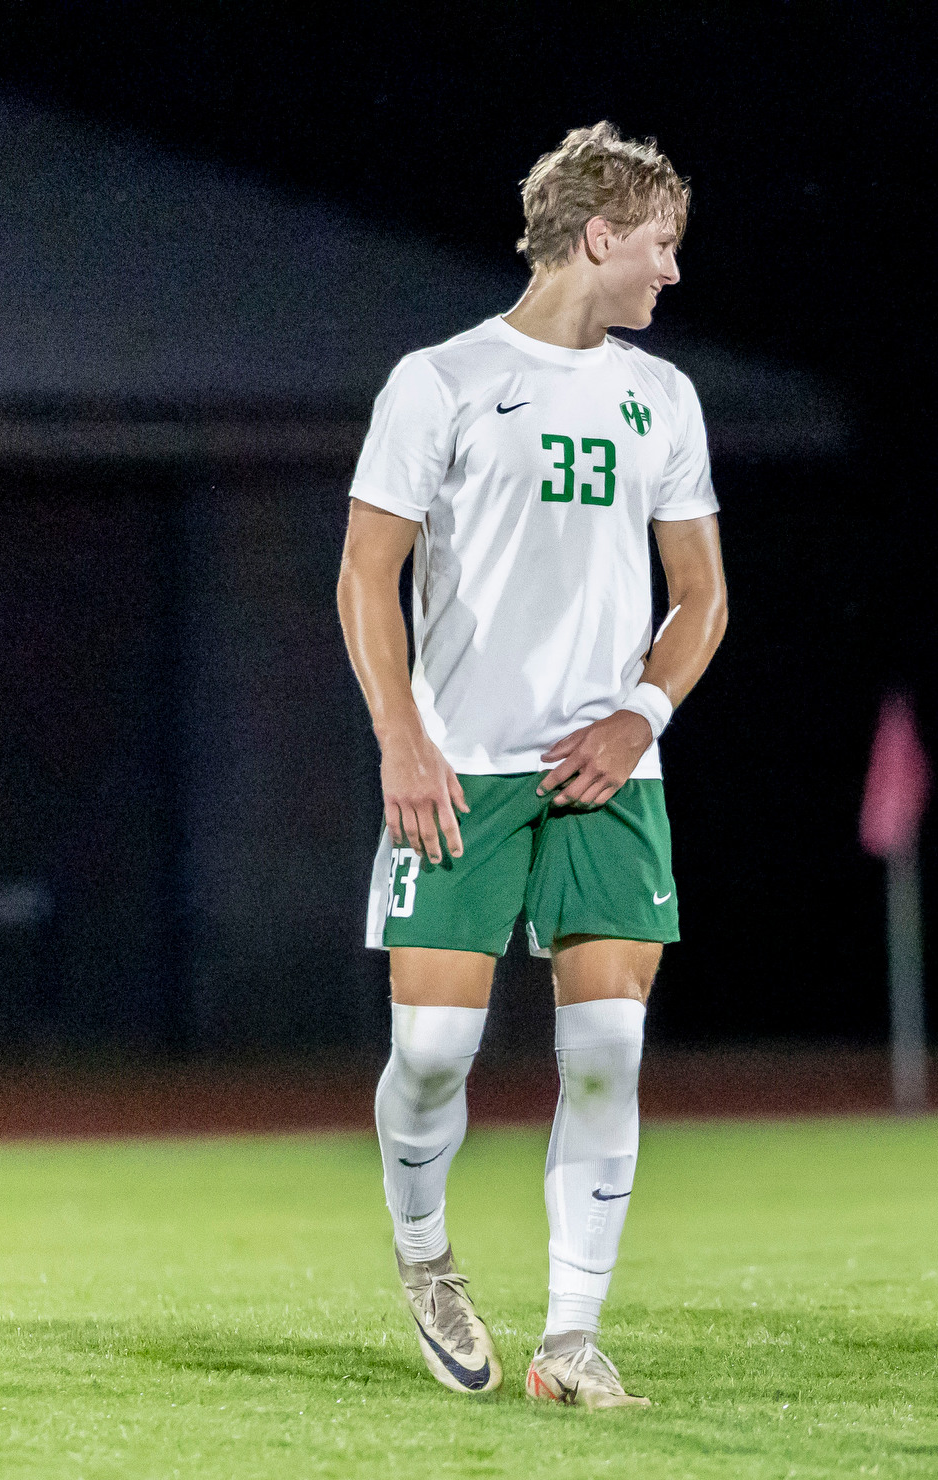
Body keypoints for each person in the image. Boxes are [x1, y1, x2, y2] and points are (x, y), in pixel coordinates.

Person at [336, 121, 727, 1411]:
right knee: (435, 1051)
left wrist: (641, 717)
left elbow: (702, 599)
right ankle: (424, 1253)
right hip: (458, 767)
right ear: (600, 236)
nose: (672, 273)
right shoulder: (438, 381)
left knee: (608, 1042)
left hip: (611, 771)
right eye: (661, 246)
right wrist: (401, 735)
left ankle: (571, 1337)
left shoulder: (660, 395)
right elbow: (364, 576)